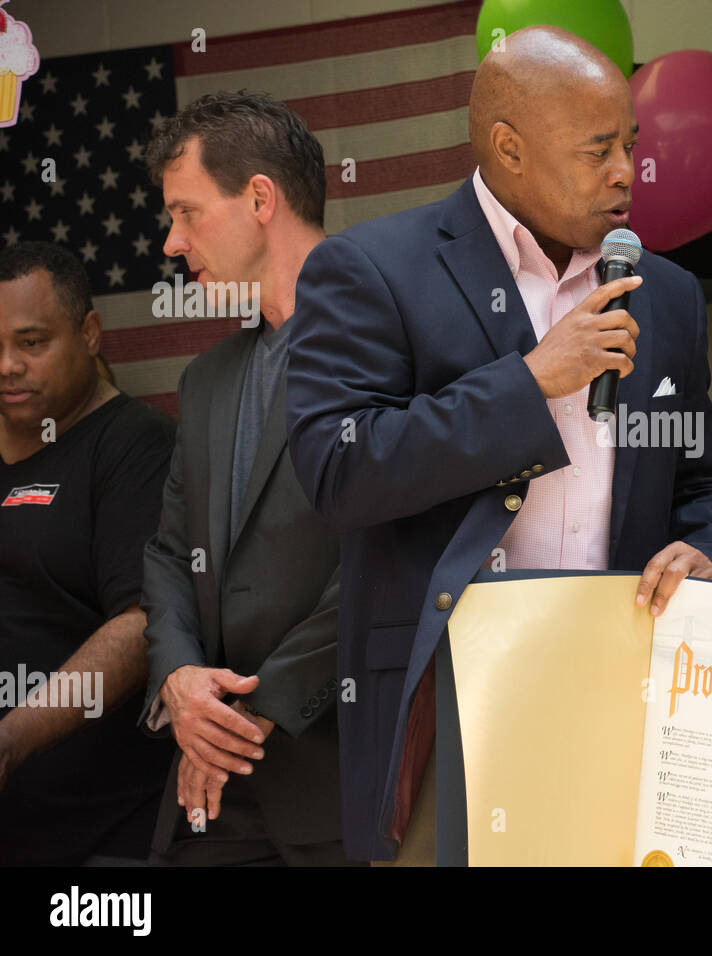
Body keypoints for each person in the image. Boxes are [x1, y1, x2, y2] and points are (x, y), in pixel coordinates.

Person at [285, 25, 712, 863]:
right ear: (509, 147)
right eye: (597, 149)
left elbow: (704, 482)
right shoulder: (372, 269)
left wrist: (708, 553)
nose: (625, 172)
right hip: (453, 690)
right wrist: (529, 384)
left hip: (625, 682)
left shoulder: (664, 292)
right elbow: (339, 468)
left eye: (631, 146)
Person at [138, 91, 352, 866]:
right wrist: (181, 683)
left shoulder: (394, 338)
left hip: (342, 780)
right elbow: (168, 555)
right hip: (209, 798)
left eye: (187, 212)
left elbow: (393, 549)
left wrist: (253, 713)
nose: (171, 240)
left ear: (260, 197)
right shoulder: (205, 380)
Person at [0, 241, 175, 864]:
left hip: (99, 835)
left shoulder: (137, 445)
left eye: (31, 342)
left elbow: (142, 625)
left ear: (90, 333)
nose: (7, 366)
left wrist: (11, 739)